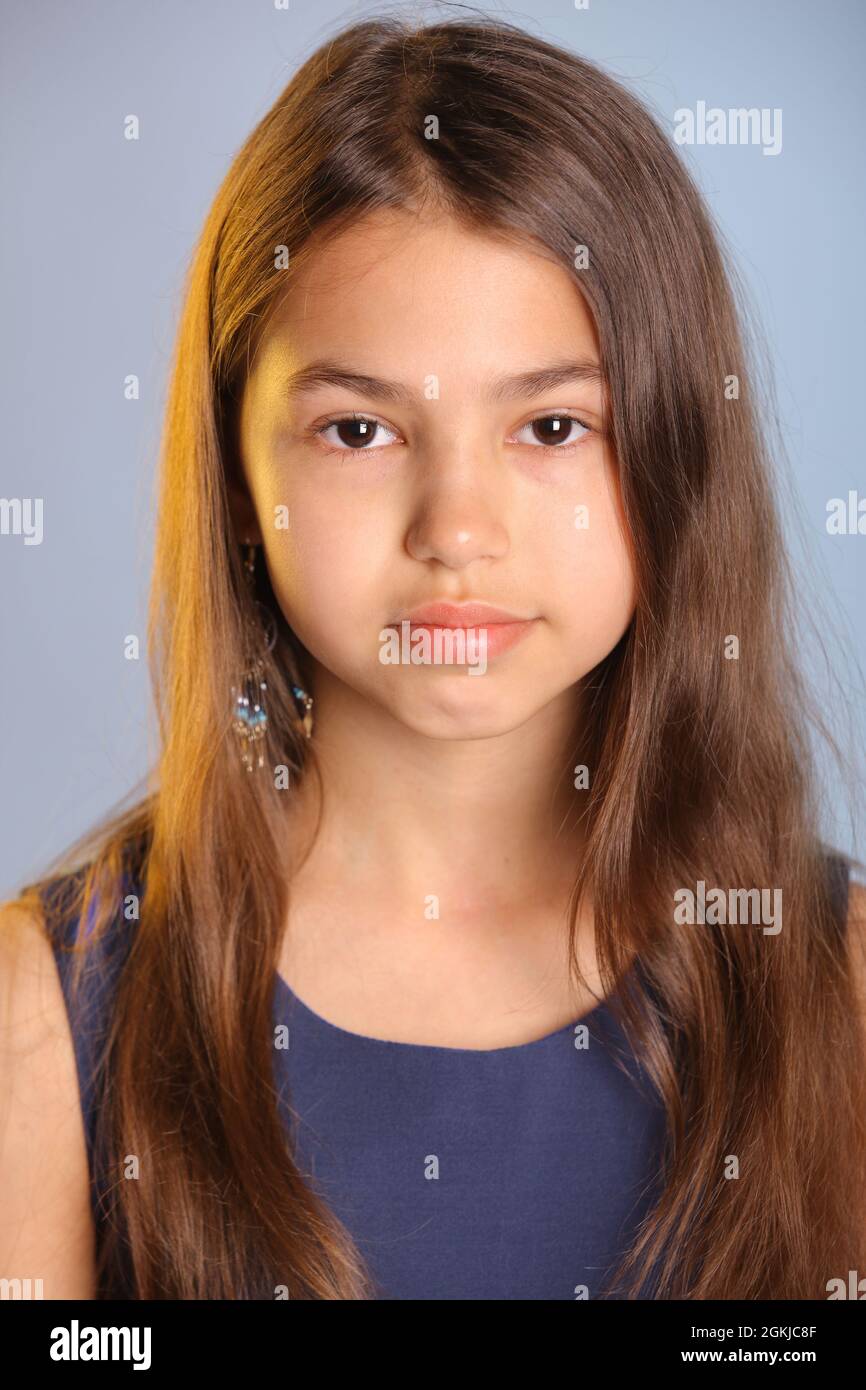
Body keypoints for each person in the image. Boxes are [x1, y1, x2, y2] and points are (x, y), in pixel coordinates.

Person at [2, 15, 864, 1301]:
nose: (456, 531)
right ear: (238, 477)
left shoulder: (835, 981)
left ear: (677, 452)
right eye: (357, 430)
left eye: (553, 425)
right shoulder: (46, 1007)